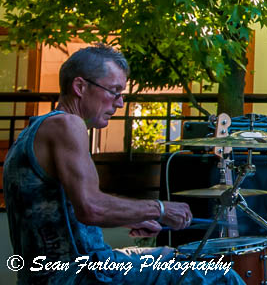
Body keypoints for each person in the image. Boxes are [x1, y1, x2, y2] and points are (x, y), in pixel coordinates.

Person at [3, 45, 242, 284]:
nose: (119, 103)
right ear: (79, 87)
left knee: (171, 255)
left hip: (51, 274)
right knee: (220, 276)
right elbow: (91, 208)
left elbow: (68, 209)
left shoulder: (32, 132)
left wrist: (129, 217)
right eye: (114, 91)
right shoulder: (67, 125)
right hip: (81, 275)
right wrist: (160, 209)